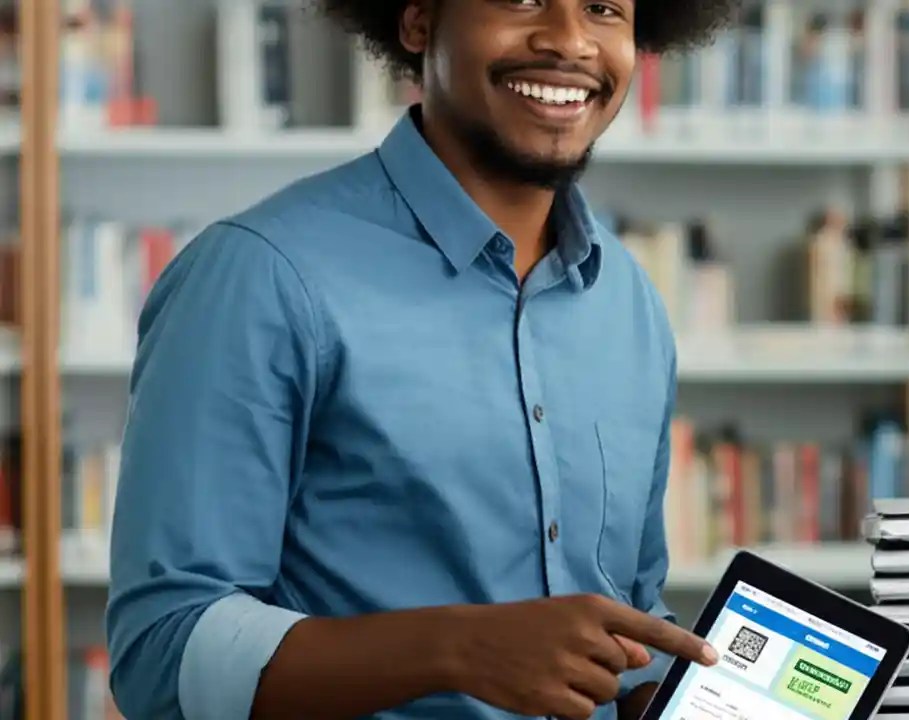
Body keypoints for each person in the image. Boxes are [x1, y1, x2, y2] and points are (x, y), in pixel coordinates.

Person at [104, 0, 740, 718]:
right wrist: (456, 649)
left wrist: (668, 691)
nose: (569, 40)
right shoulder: (260, 276)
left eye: (603, 9)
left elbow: (627, 618)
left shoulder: (630, 303)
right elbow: (162, 651)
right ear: (416, 21)